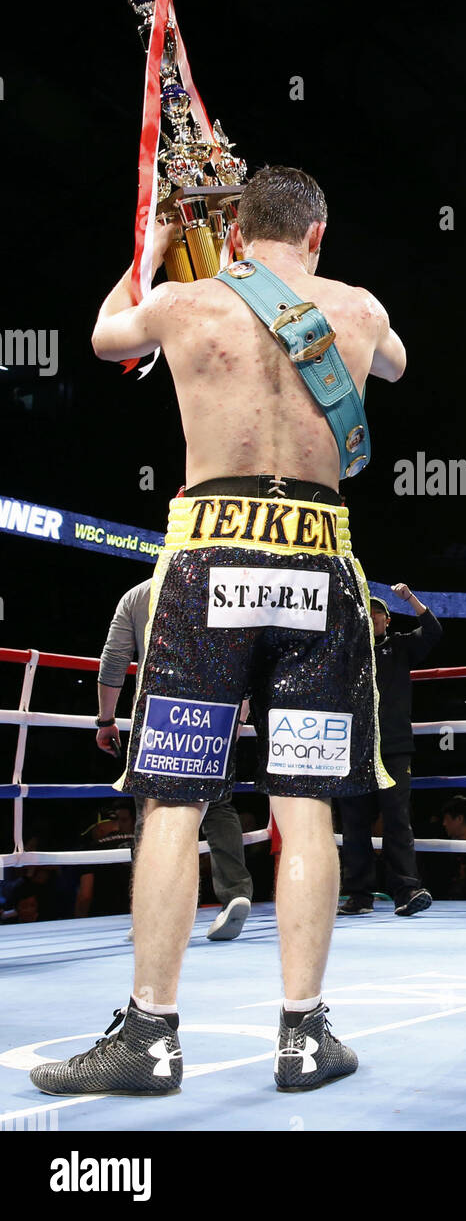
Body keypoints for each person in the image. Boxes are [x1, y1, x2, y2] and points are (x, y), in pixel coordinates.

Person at [30, 164, 406, 1098]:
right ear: (317, 234)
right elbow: (395, 364)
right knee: (305, 803)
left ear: (231, 235)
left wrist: (153, 249)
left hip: (208, 562)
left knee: (172, 798)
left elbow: (105, 336)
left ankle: (150, 1033)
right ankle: (304, 1034)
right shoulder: (357, 309)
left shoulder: (186, 304)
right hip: (317, 562)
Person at [96, 577, 254, 940]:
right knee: (216, 805)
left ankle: (150, 911)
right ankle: (236, 894)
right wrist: (239, 716)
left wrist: (106, 720)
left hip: (158, 714)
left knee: (152, 813)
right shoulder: (223, 586)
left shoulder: (136, 595)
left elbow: (114, 659)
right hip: (215, 714)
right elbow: (245, 659)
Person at [337, 583, 440, 917]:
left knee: (397, 819)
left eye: (378, 612)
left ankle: (407, 890)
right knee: (353, 823)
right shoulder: (347, 651)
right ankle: (358, 894)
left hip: (393, 747)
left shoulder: (399, 647)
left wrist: (410, 598)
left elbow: (434, 630)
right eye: (366, 613)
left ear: (387, 620)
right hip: (353, 747)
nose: (372, 617)